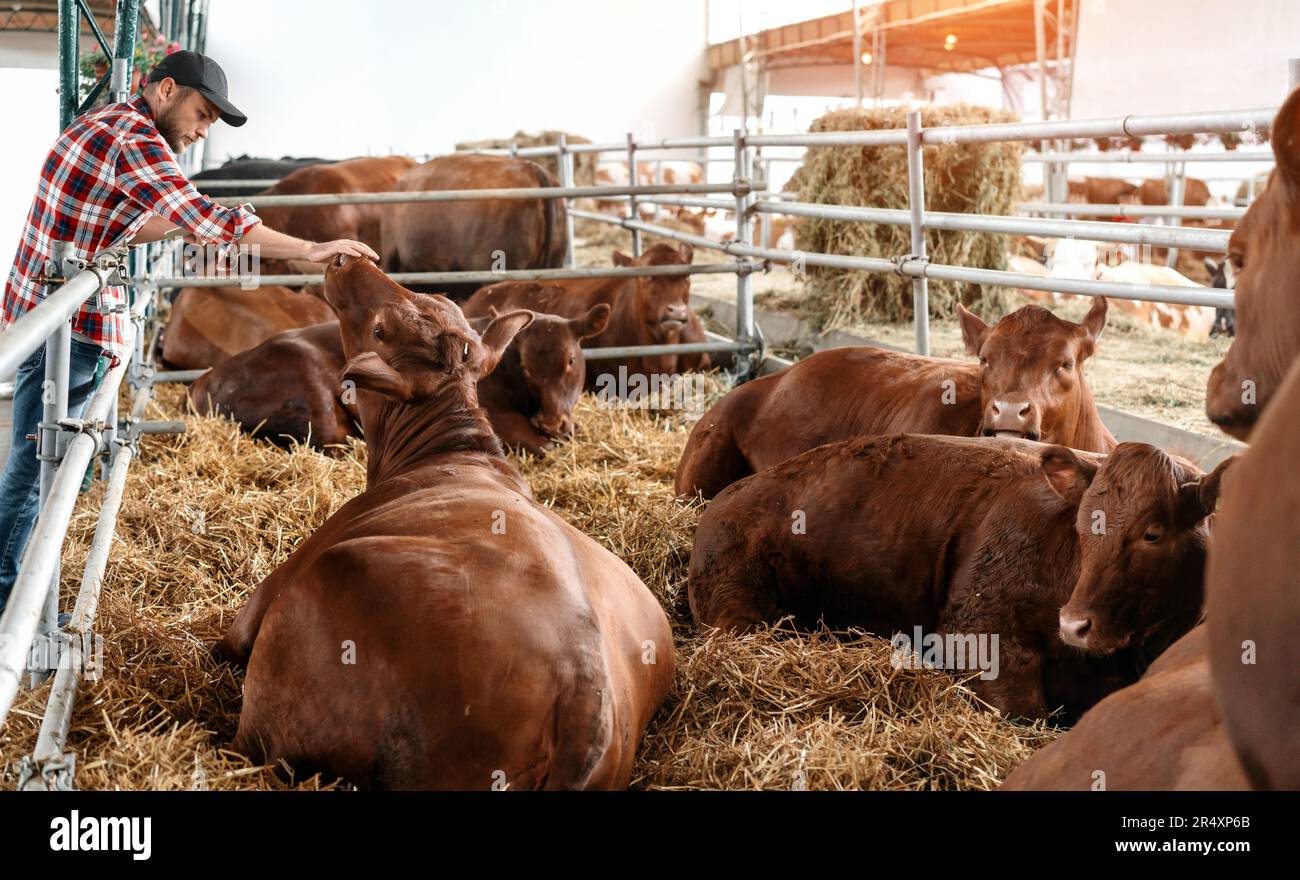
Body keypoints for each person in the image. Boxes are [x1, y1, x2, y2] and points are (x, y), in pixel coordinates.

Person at [0, 50, 377, 617]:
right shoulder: (136, 136)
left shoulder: (109, 126)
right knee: (34, 476)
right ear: (167, 90)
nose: (202, 133)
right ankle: (14, 612)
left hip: (62, 322)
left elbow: (129, 222)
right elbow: (211, 224)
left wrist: (189, 213)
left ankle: (28, 594)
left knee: (52, 470)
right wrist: (310, 249)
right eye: (202, 115)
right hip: (67, 333)